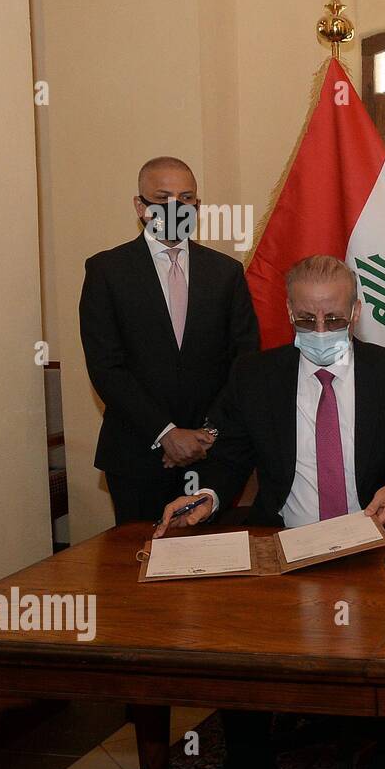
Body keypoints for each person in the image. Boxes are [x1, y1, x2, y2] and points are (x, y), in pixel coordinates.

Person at [154, 254, 385, 769]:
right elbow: (231, 454)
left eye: (333, 319)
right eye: (306, 321)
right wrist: (209, 496)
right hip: (285, 549)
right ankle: (249, 764)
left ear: (355, 312)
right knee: (240, 660)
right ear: (288, 313)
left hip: (375, 550)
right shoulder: (256, 374)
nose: (321, 331)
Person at [80, 156, 259, 525]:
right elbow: (106, 367)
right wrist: (167, 433)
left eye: (187, 197)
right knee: (140, 562)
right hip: (137, 454)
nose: (176, 207)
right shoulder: (106, 271)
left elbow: (245, 361)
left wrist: (207, 433)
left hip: (213, 455)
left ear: (197, 205)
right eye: (163, 197)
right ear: (141, 206)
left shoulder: (225, 272)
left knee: (211, 566)